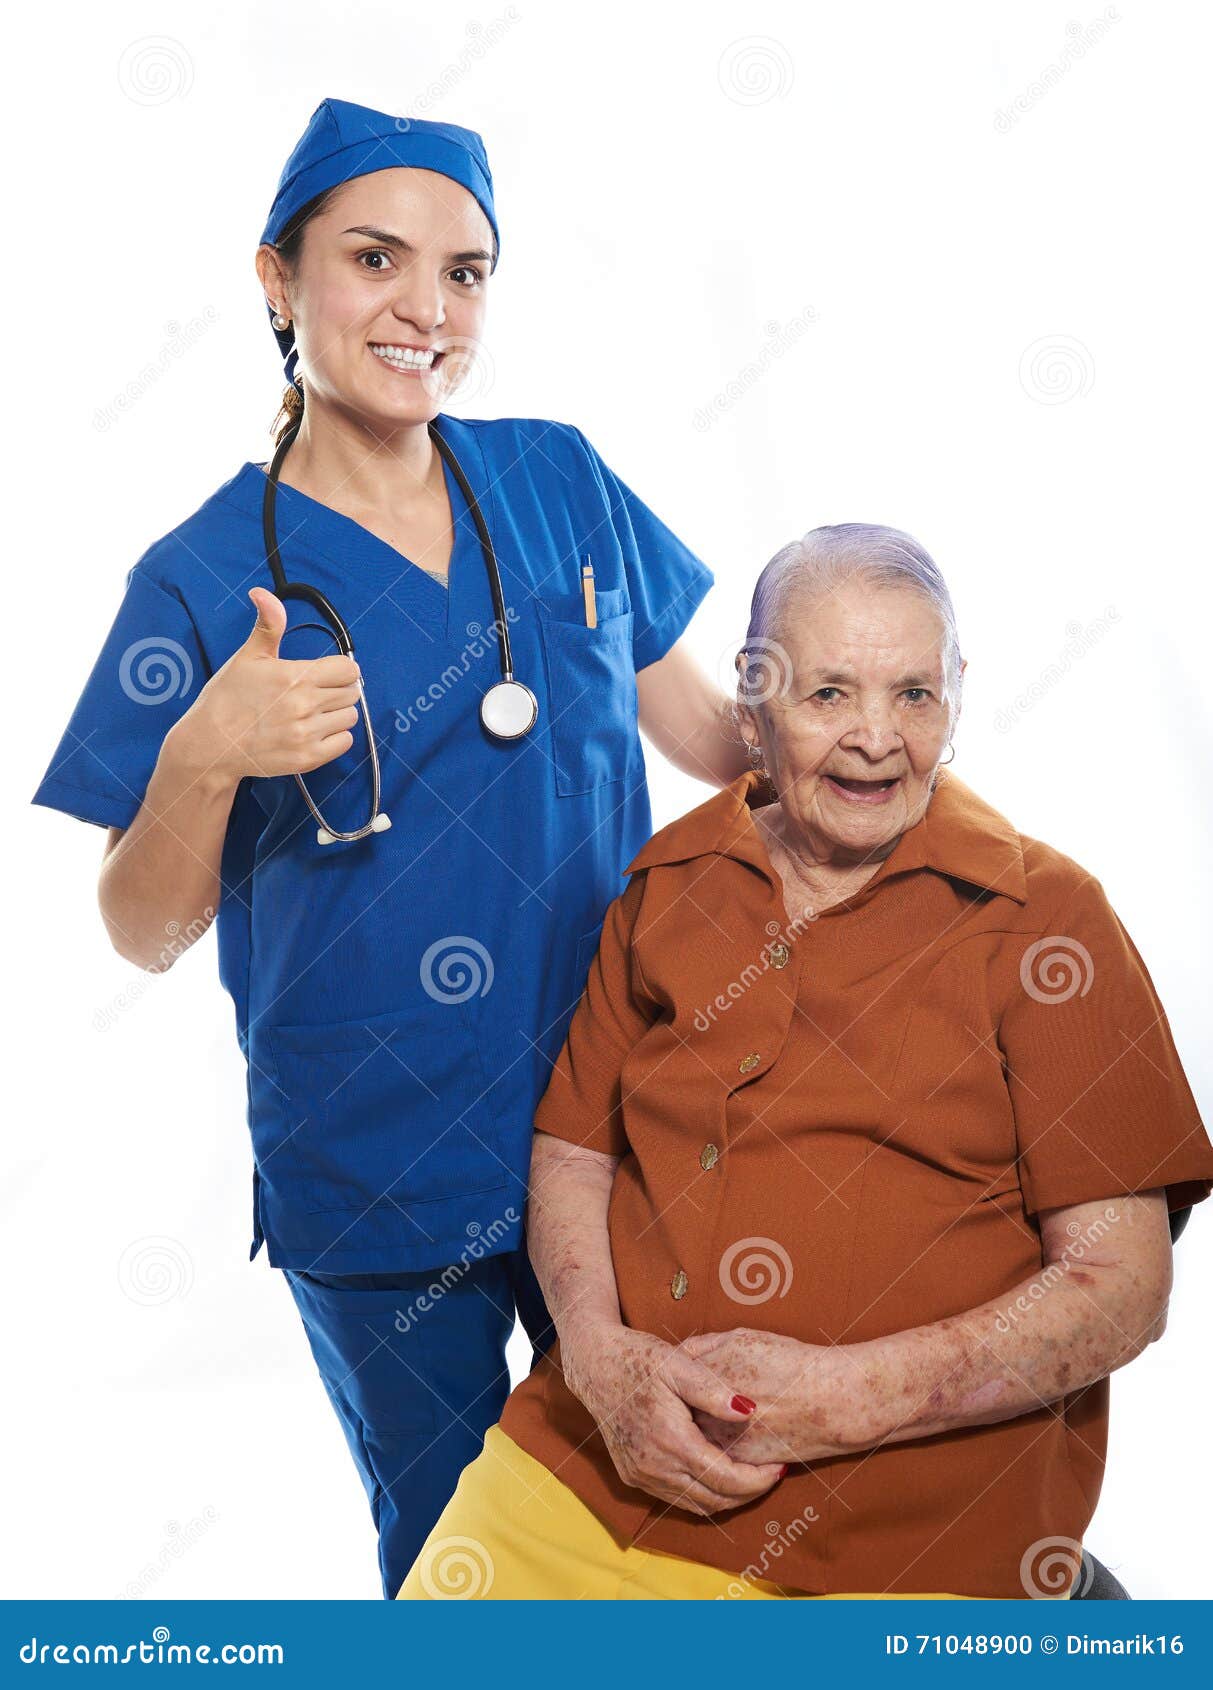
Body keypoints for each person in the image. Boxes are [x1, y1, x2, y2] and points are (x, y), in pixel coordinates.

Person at [29, 97, 747, 1599]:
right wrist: (206, 753)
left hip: (615, 1121)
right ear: (276, 281)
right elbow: (137, 929)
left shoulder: (559, 482)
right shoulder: (201, 577)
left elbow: (712, 743)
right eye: (374, 258)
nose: (428, 309)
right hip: (374, 1163)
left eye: (467, 271)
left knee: (681, 1511)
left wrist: (859, 707)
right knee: (464, 1561)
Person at [398, 523, 1213, 1600]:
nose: (877, 738)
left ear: (958, 696)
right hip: (598, 1461)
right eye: (829, 694)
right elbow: (571, 1150)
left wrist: (847, 1397)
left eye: (914, 694)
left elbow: (1121, 1288)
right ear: (751, 699)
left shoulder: (1046, 923)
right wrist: (598, 1356)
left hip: (901, 1529)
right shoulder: (669, 879)